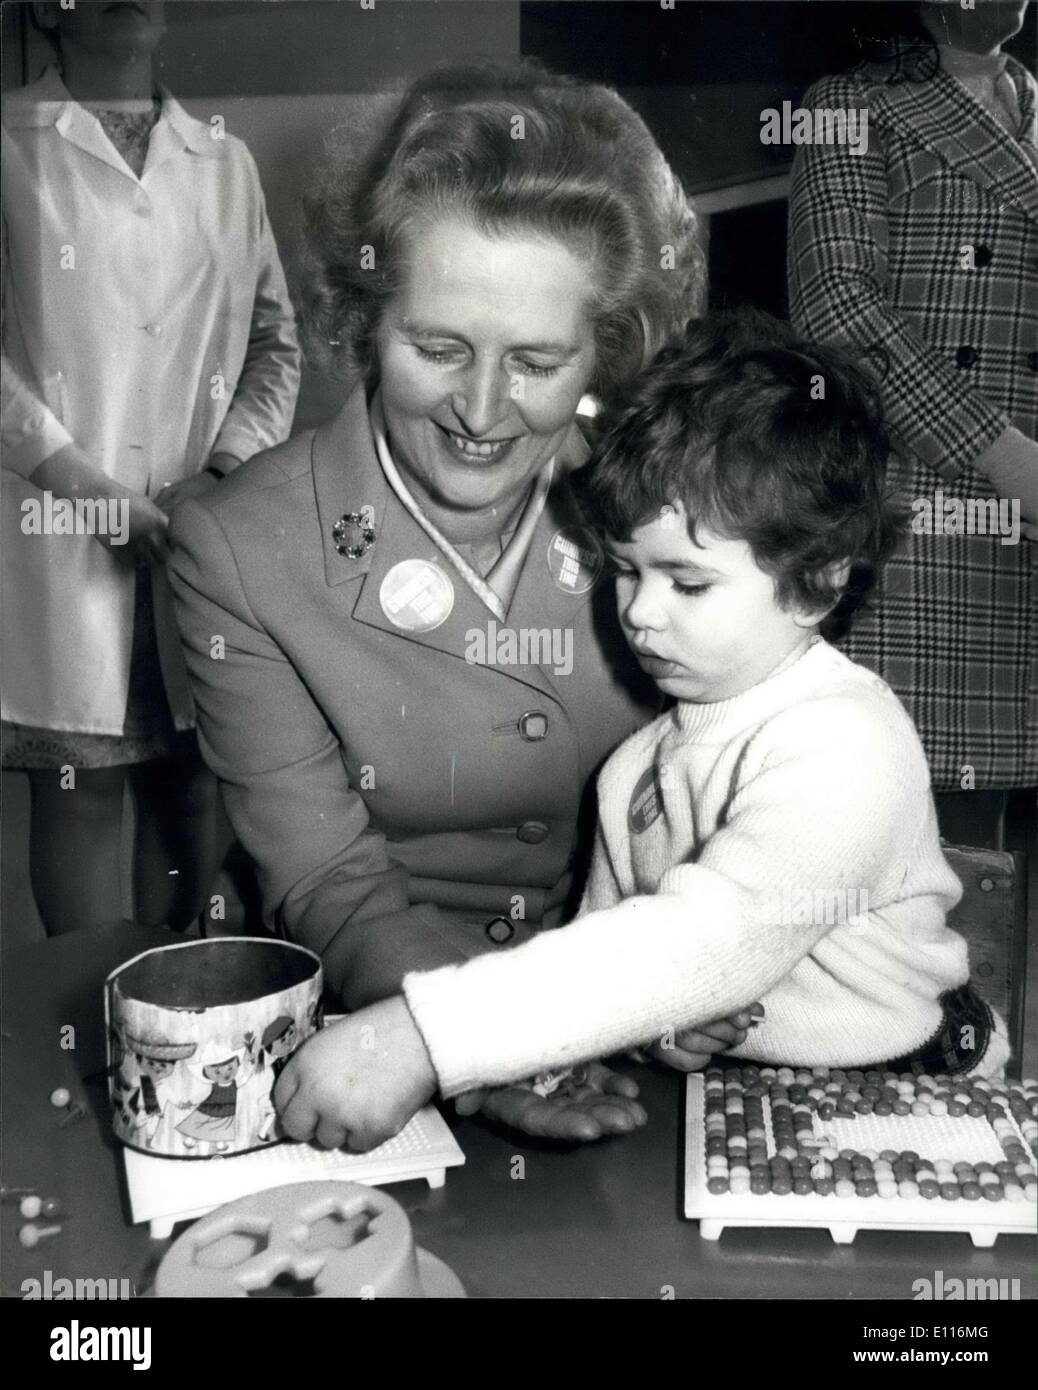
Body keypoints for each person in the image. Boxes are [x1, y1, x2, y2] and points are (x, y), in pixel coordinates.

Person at [170, 62, 755, 1142]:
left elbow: (747, 766)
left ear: (603, 349)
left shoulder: (683, 507)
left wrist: (705, 971)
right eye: (437, 349)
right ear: (362, 319)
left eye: (538, 359)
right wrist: (493, 1034)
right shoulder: (240, 548)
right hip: (384, 1019)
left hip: (647, 1010)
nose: (483, 411)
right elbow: (331, 880)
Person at [271, 314, 1011, 1154]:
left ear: (817, 581)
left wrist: (420, 1036)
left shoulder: (846, 742)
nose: (640, 614)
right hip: (739, 1104)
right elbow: (626, 963)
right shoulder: (635, 771)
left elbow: (712, 936)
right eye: (627, 570)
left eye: (687, 583)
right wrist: (665, 1033)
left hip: (909, 1095)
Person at [1, 1, 300, 935]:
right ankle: (87, 1043)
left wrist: (223, 474)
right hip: (54, 529)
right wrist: (88, 494)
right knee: (84, 787)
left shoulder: (225, 159)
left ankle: (177, 1033)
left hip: (198, 532)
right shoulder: (8, 143)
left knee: (195, 788)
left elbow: (274, 344)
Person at [787, 0, 1037, 844]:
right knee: (905, 826)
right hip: (926, 515)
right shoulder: (849, 107)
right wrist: (1005, 458)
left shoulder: (1034, 105)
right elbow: (838, 311)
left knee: (989, 852)